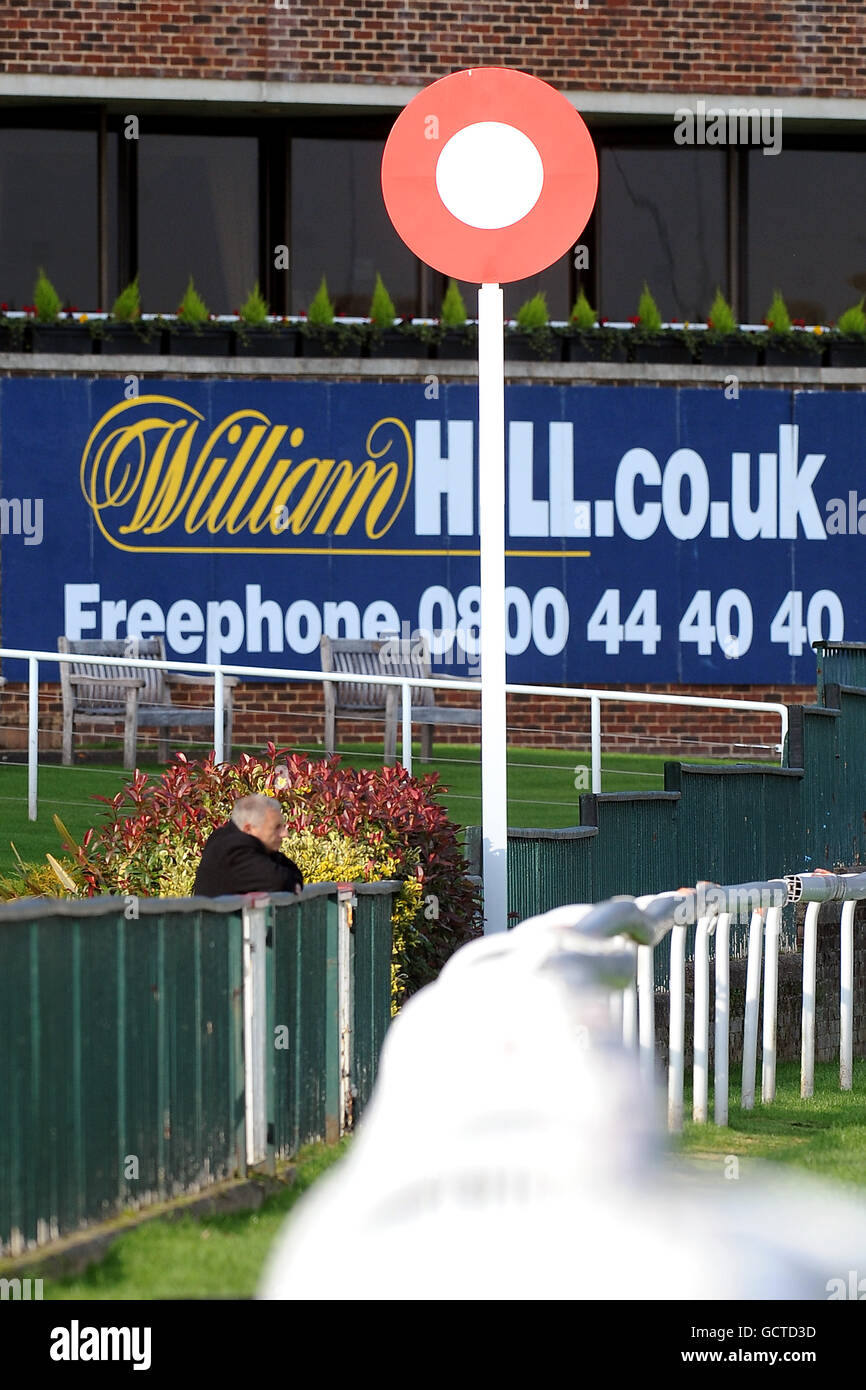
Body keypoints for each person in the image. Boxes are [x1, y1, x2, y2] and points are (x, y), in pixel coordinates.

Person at [193, 793, 303, 897]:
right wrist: (291, 882)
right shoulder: (234, 848)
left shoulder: (228, 839)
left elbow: (291, 874)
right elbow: (277, 880)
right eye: (276, 828)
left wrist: (290, 880)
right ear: (249, 829)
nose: (285, 834)